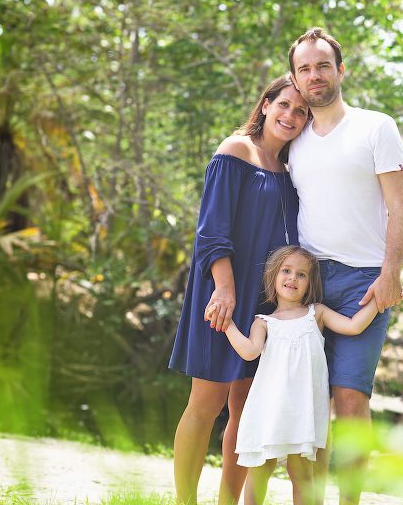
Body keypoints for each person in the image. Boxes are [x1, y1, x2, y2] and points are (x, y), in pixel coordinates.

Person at [168, 74, 310, 505]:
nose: (290, 115)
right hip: (223, 290)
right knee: (205, 403)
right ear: (265, 104)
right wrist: (225, 290)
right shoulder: (235, 151)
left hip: (263, 302)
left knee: (246, 410)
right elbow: (211, 231)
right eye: (283, 104)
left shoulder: (291, 170)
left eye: (301, 111)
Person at [287, 27, 403, 505]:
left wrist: (391, 273)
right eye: (304, 69)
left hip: (365, 280)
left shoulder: (376, 127)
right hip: (308, 283)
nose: (314, 75)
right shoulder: (293, 138)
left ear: (341, 70)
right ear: (295, 79)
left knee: (350, 398)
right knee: (310, 402)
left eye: (323, 65)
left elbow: (400, 207)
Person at [215, 245, 378, 505]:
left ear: (310, 283)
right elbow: (249, 351)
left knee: (302, 474)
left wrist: (379, 298)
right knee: (260, 470)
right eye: (287, 271)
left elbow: (354, 326)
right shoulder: (263, 322)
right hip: (270, 408)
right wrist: (228, 325)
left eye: (301, 275)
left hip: (303, 412)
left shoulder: (317, 313)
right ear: (274, 276)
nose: (293, 278)